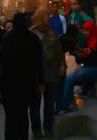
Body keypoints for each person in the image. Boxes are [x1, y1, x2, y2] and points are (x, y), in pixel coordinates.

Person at [0, 12, 44, 140]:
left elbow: (0, 60)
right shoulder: (33, 39)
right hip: (26, 85)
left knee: (10, 119)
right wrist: (40, 82)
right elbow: (39, 63)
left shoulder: (8, 38)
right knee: (23, 116)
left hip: (8, 85)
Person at [30, 8, 66, 139]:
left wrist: (62, 64)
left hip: (51, 73)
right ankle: (36, 130)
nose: (48, 18)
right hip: (37, 75)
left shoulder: (51, 33)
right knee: (35, 104)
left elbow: (58, 50)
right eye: (45, 16)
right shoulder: (32, 34)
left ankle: (48, 128)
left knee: (49, 104)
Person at [59, 20, 97, 112]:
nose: (84, 32)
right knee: (69, 78)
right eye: (83, 30)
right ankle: (67, 103)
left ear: (91, 30)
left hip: (96, 69)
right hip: (88, 67)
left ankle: (64, 106)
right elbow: (82, 59)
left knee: (70, 78)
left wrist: (84, 59)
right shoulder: (86, 41)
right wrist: (79, 55)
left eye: (86, 30)